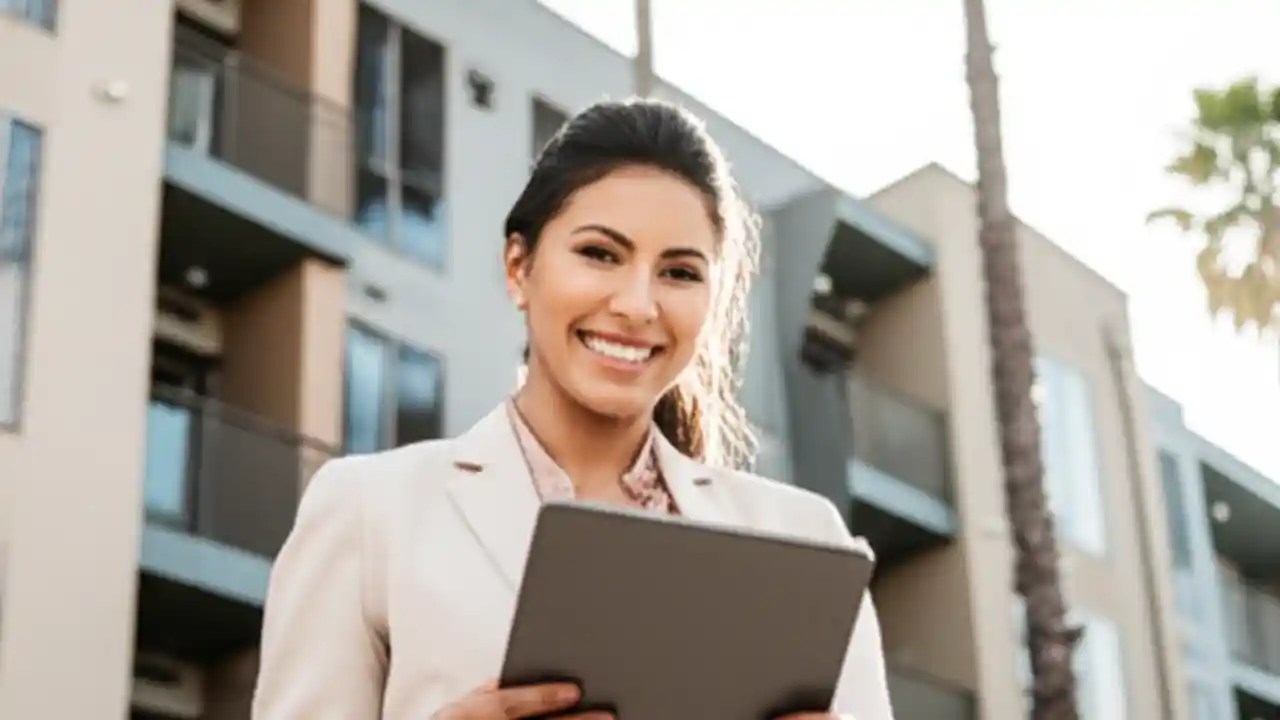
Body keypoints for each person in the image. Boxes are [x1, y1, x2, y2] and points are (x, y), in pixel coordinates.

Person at [251, 98, 893, 720]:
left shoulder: (806, 541)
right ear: (518, 266)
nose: (639, 305)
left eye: (679, 272)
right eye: (600, 254)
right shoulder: (370, 512)